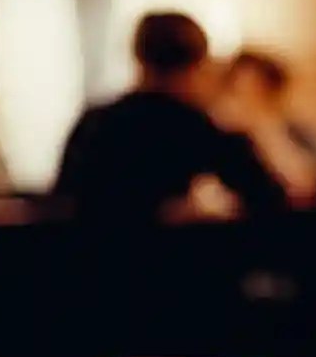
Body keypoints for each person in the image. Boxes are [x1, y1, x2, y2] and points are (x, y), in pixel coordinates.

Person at [54, 12, 288, 222]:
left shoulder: (95, 123)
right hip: (186, 264)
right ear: (199, 62)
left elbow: (64, 202)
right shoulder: (200, 128)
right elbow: (270, 199)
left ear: (138, 57)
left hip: (96, 263)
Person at [215, 51, 316, 204]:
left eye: (256, 92)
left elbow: (303, 187)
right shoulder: (216, 133)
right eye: (238, 90)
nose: (246, 101)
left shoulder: (289, 132)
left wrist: (264, 129)